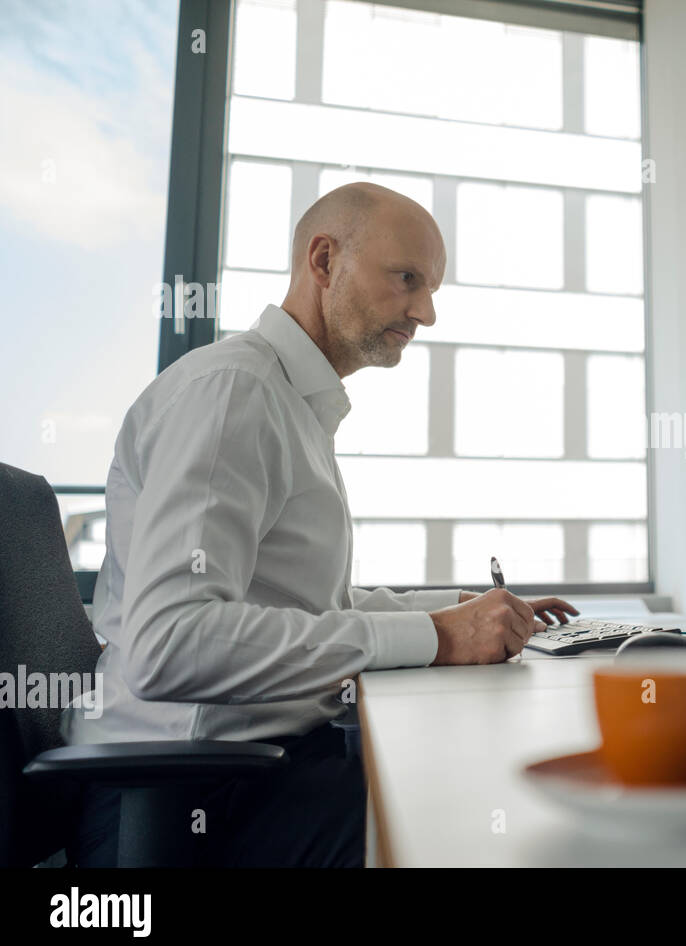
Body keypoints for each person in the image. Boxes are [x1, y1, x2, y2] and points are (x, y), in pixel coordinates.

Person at [64, 183, 578, 866]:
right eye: (407, 279)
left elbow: (300, 607)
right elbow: (172, 642)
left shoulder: (290, 404)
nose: (424, 312)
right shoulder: (234, 393)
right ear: (325, 259)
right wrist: (436, 636)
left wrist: (453, 612)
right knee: (506, 818)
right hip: (188, 798)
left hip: (253, 768)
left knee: (496, 779)